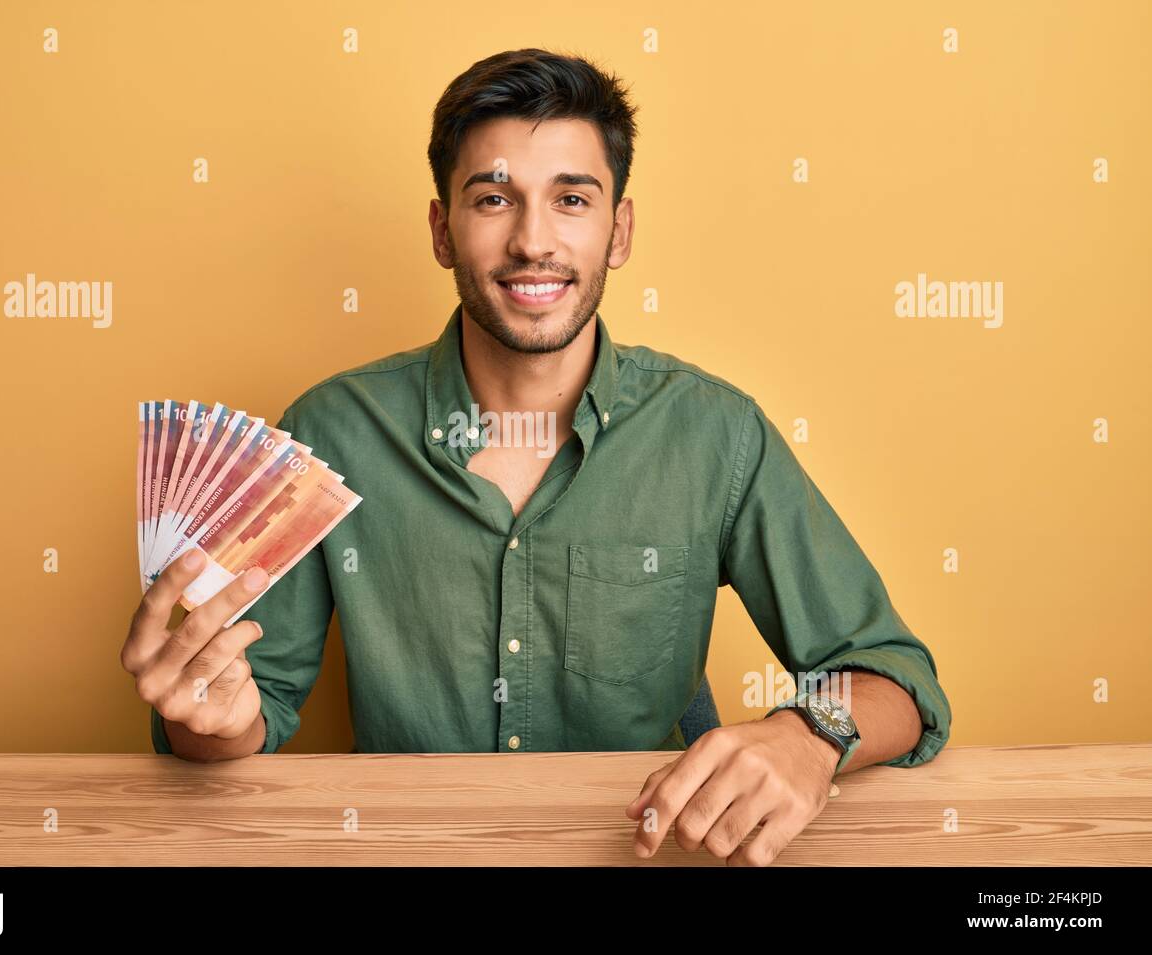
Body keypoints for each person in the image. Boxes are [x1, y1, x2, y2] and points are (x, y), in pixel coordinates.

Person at [120, 48, 952, 865]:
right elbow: (236, 721)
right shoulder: (331, 432)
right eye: (493, 198)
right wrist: (207, 718)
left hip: (651, 857)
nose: (532, 241)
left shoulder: (714, 433)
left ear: (618, 230)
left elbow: (892, 677)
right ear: (443, 231)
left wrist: (807, 737)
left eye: (572, 200)